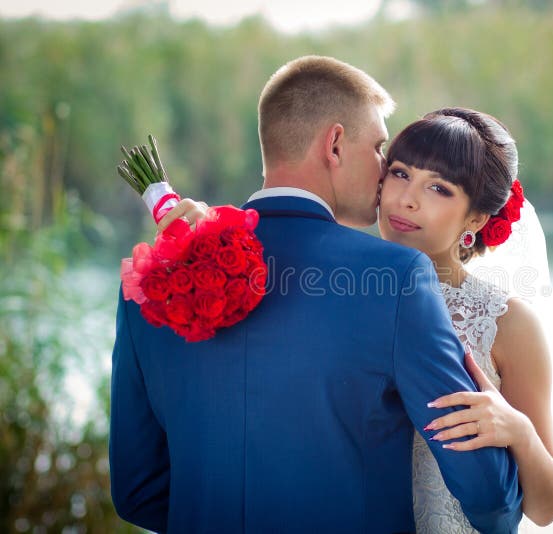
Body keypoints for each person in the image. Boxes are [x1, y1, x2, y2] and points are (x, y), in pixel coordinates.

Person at [109, 56, 522, 533]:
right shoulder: (397, 276)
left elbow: (137, 492)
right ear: (335, 144)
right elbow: (488, 496)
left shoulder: (154, 281)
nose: (385, 169)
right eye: (378, 147)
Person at [378, 108, 553, 532]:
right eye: (401, 173)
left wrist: (518, 431)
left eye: (439, 188)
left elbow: (547, 507)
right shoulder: (345, 290)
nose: (407, 198)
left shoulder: (508, 323)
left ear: (476, 219)